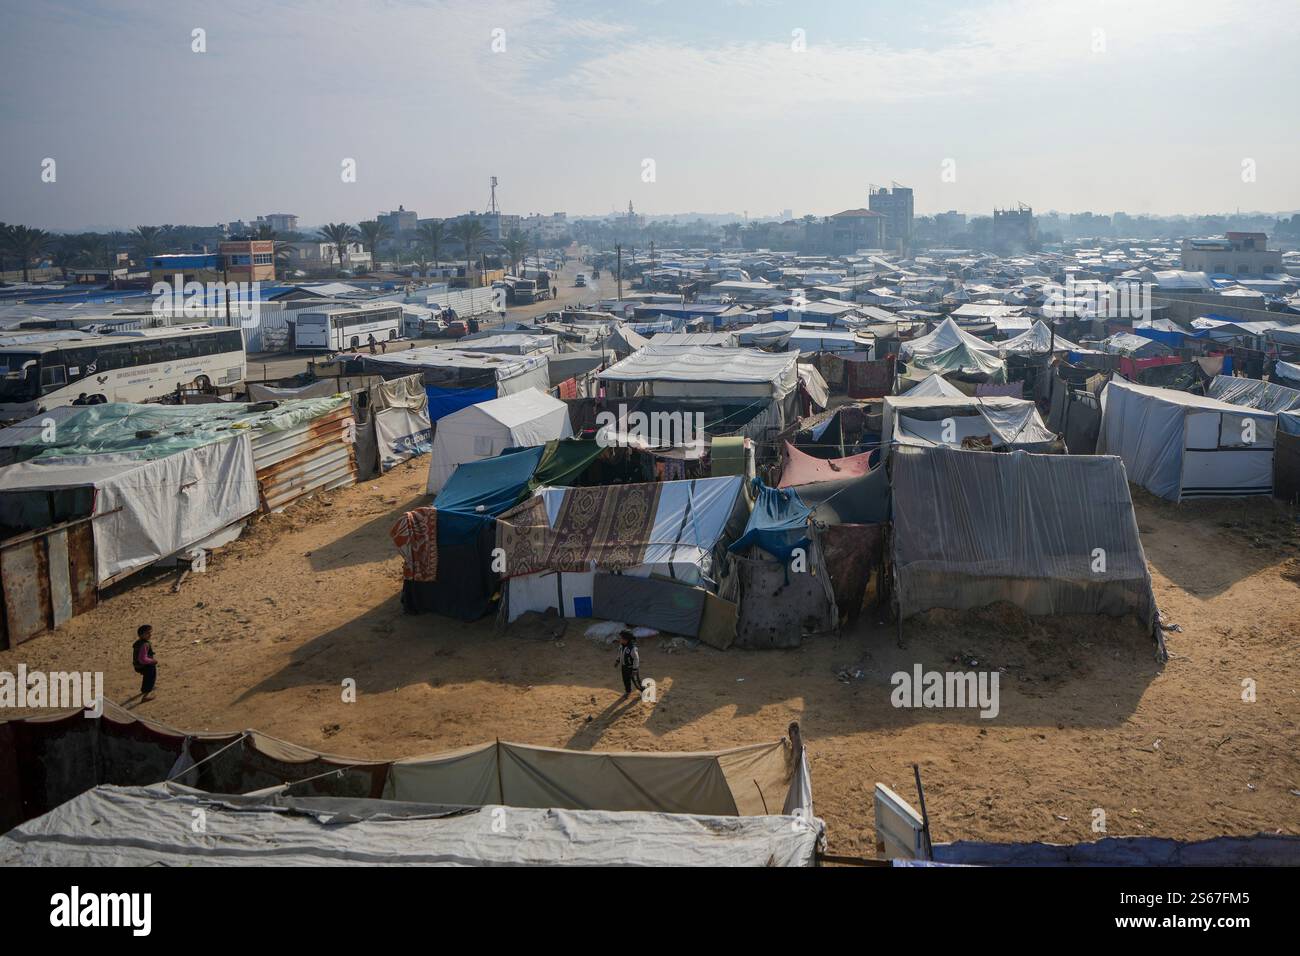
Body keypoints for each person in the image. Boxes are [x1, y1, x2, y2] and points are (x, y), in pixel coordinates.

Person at [615, 630, 643, 701]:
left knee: (636, 681)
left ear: (626, 640)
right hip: (624, 667)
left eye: (621, 638)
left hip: (632, 668)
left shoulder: (632, 648)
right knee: (626, 680)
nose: (620, 639)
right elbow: (620, 654)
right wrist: (617, 660)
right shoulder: (621, 646)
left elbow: (636, 659)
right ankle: (628, 691)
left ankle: (643, 690)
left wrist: (635, 669)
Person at [132, 625, 158, 702]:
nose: (150, 635)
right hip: (145, 666)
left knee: (147, 679)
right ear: (141, 635)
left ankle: (145, 690)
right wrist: (153, 661)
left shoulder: (138, 643)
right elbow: (142, 659)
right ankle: (145, 696)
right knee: (150, 679)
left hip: (138, 666)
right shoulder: (144, 644)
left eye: (150, 633)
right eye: (147, 633)